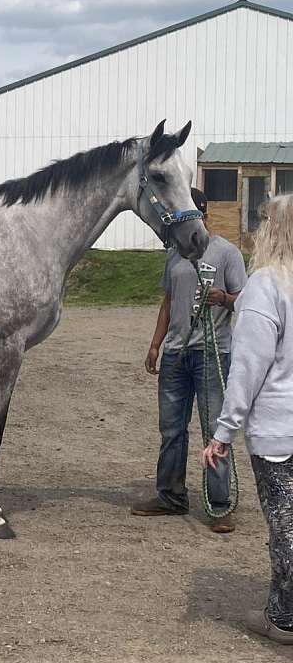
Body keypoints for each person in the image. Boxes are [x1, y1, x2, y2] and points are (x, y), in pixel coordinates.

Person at [203, 195, 293, 644]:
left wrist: (223, 432)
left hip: (280, 432)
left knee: (285, 525)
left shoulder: (266, 286)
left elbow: (248, 368)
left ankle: (284, 617)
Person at [132, 188, 247, 531]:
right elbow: (168, 303)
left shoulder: (227, 253)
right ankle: (170, 496)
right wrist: (156, 344)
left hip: (213, 355)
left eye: (190, 218)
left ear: (203, 216)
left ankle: (220, 504)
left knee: (214, 430)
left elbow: (243, 301)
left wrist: (223, 297)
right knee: (171, 429)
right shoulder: (174, 255)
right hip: (175, 356)